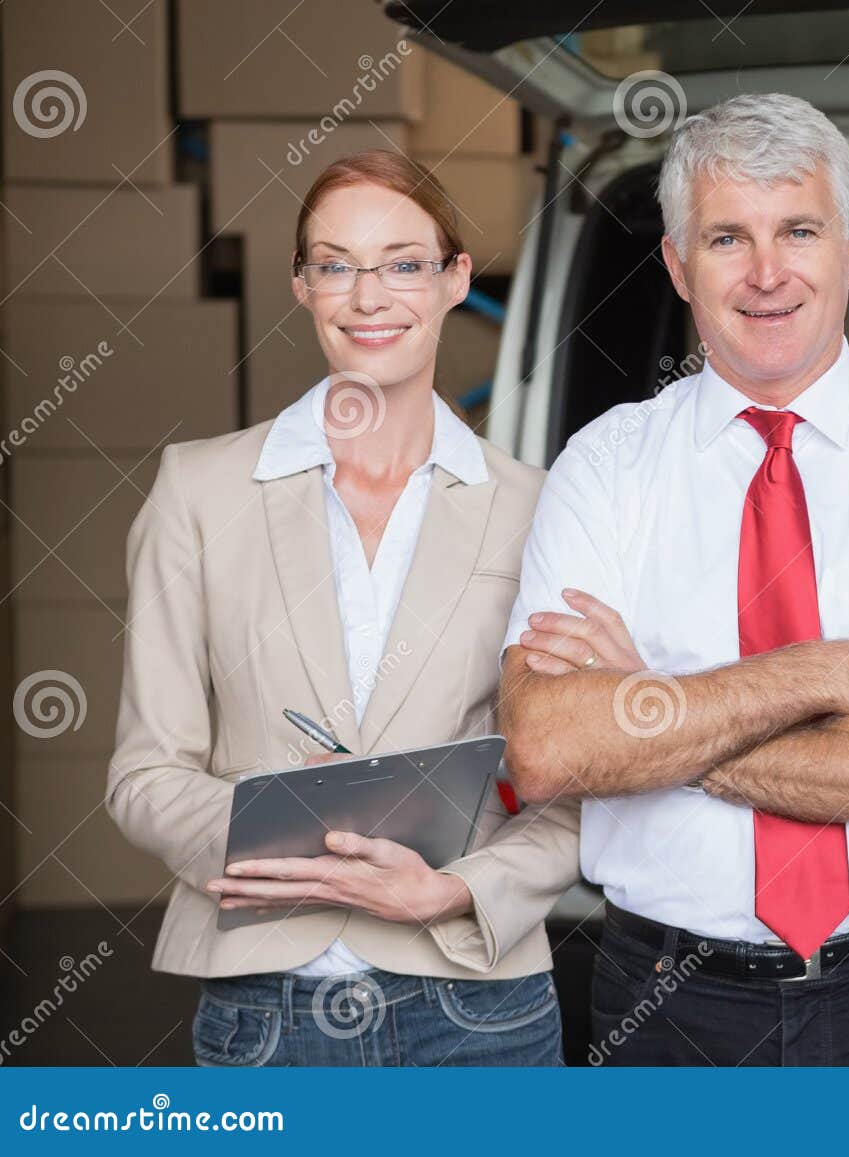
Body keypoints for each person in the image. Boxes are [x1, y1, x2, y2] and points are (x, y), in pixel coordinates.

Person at [497, 93, 849, 1066]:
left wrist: (658, 709)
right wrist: (825, 674)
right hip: (668, 1007)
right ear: (677, 262)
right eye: (726, 237)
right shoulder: (606, 463)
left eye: (797, 230)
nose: (765, 273)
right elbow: (547, 746)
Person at [107, 150, 579, 1067]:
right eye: (336, 264)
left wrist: (455, 891)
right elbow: (144, 775)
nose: (369, 297)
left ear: (453, 280)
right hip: (265, 1017)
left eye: (403, 263)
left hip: (479, 1010)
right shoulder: (198, 490)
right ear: (302, 284)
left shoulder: (540, 506)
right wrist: (286, 852)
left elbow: (583, 791)